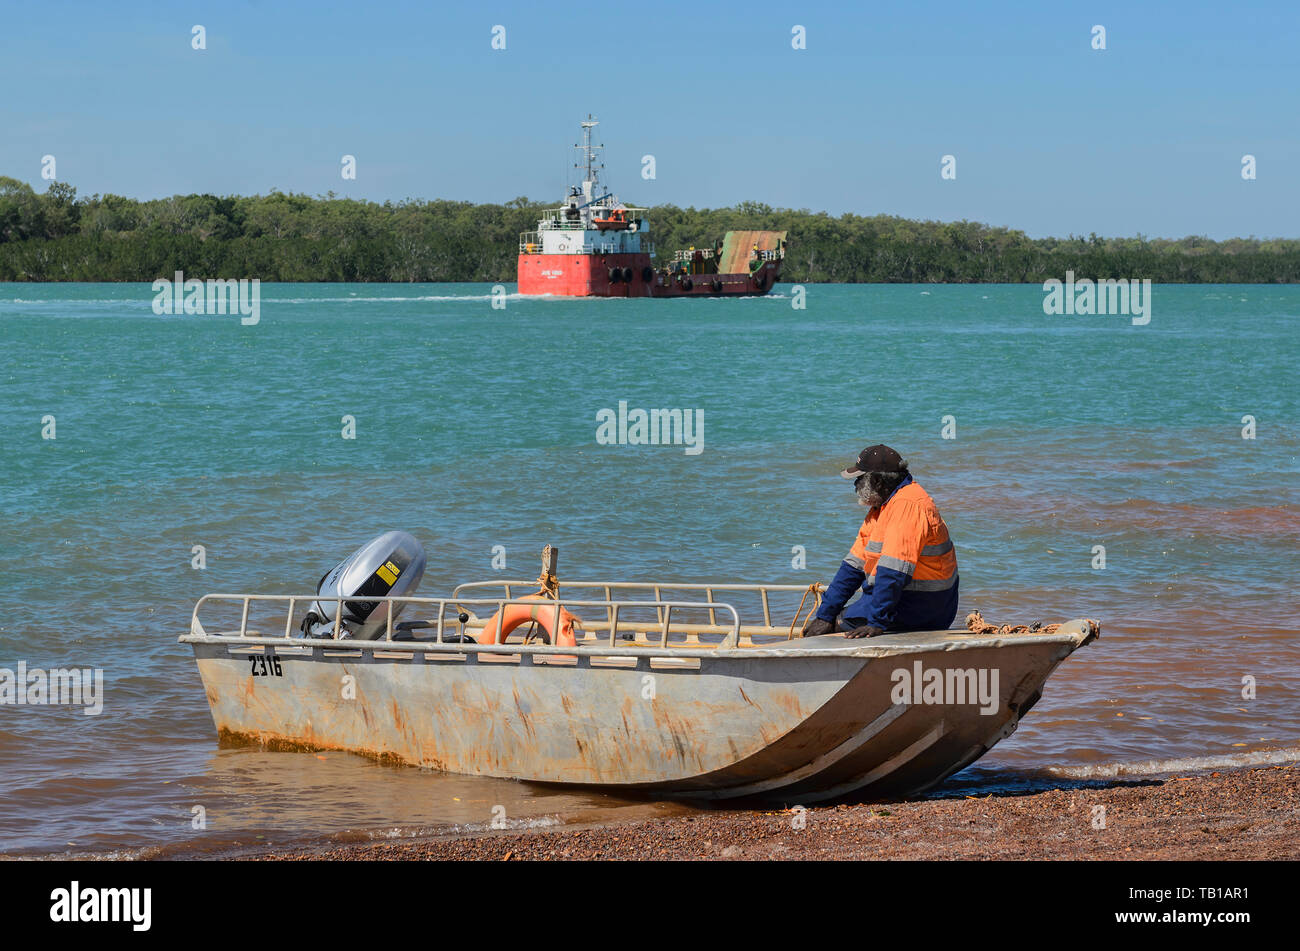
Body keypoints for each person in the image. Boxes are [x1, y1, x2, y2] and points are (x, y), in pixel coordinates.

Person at [803, 445, 959, 639]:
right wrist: (824, 615)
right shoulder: (882, 508)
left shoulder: (907, 506)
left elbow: (894, 572)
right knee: (828, 621)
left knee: (838, 625)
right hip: (903, 601)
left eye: (859, 479)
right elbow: (852, 567)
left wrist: (877, 623)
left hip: (921, 607)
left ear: (876, 480)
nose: (855, 486)